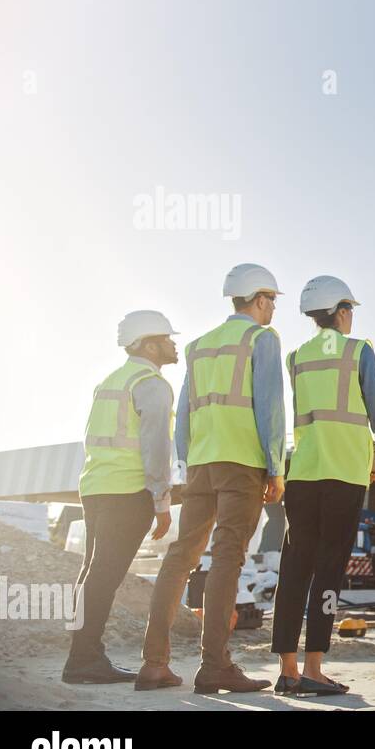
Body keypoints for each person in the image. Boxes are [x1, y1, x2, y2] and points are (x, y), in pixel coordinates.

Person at [137, 263, 286, 694]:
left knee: (182, 556)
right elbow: (270, 408)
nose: (274, 307)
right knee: (227, 557)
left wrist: (189, 462)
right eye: (272, 299)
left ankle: (153, 664)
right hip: (241, 463)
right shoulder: (262, 339)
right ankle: (215, 665)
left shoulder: (200, 346)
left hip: (201, 464)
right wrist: (275, 467)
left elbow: (182, 414)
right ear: (258, 300)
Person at [272, 276, 375, 697]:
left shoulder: (296, 357)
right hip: (343, 474)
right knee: (328, 570)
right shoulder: (358, 350)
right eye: (350, 309)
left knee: (293, 570)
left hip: (302, 474)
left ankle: (287, 670)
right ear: (341, 311)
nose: (352, 316)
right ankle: (315, 668)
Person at [64, 311, 179, 684]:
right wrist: (162, 503)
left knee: (92, 573)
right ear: (148, 343)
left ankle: (81, 656)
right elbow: (156, 449)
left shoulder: (109, 381)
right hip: (127, 491)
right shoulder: (151, 383)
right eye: (166, 338)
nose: (173, 343)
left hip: (95, 486)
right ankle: (83, 661)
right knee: (104, 576)